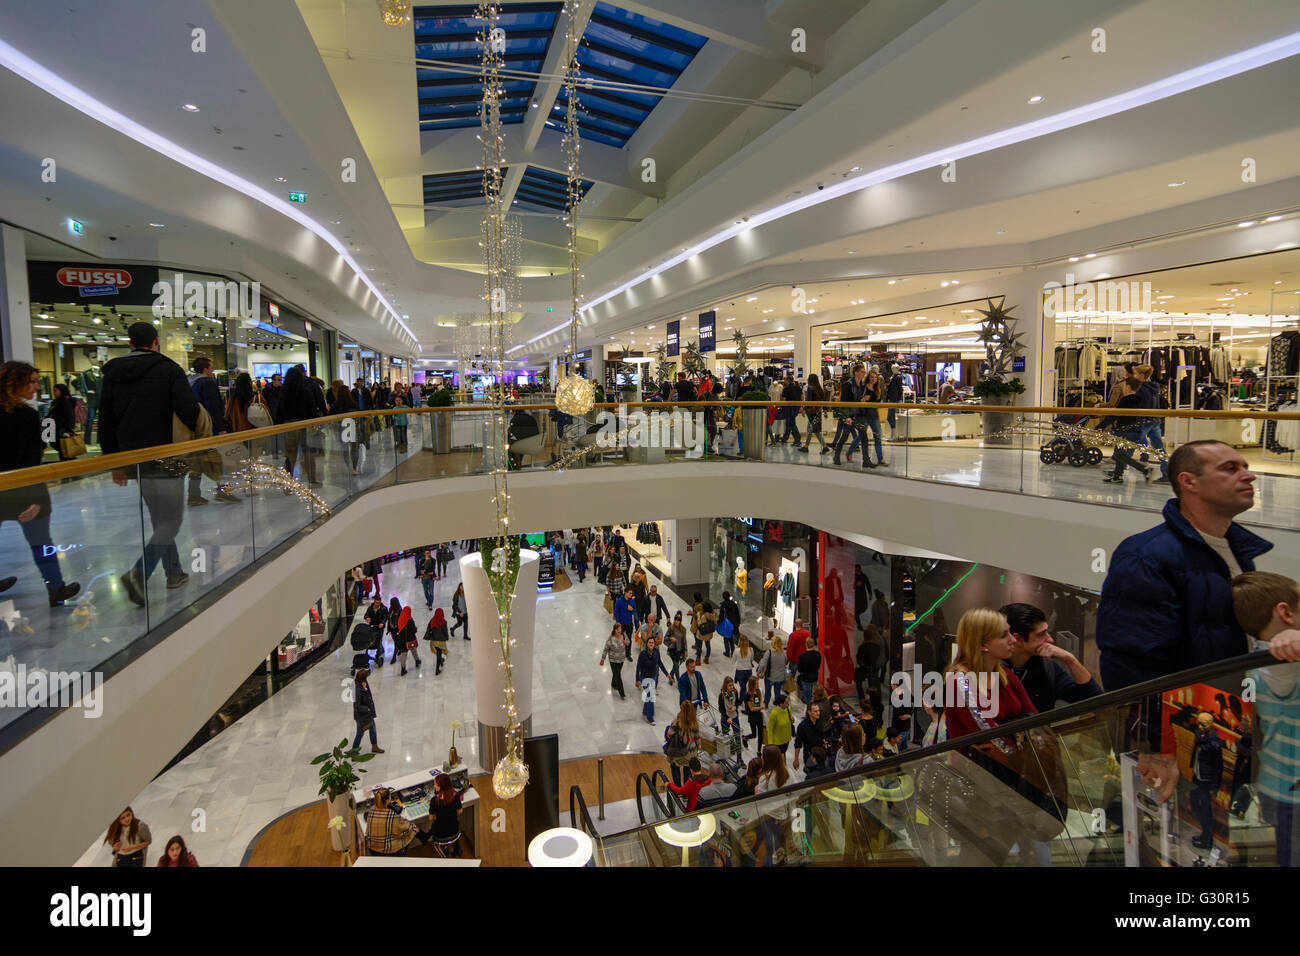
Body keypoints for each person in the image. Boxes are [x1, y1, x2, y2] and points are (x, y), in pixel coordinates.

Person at [1097, 440, 1270, 689]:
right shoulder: (1144, 556)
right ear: (1189, 481)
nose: (1249, 476)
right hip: (1191, 710)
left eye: (1246, 467)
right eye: (1230, 468)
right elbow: (1131, 668)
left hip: (1234, 702)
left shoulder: (1238, 549)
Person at [99, 322, 201, 606]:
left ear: (130, 343)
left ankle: (174, 572)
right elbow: (188, 410)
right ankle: (139, 573)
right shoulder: (169, 369)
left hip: (134, 458)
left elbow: (105, 419)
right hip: (167, 455)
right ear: (156, 342)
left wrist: (115, 462)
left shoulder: (113, 373)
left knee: (160, 519)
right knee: (172, 520)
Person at [1230, 571, 1300, 865]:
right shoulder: (1281, 666)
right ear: (1286, 613)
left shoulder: (1257, 663)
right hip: (1292, 799)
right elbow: (1284, 673)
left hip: (1276, 788)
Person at [0, 363, 81, 606]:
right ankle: (55, 587)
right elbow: (30, 460)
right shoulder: (26, 415)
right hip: (23, 490)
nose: (37, 387)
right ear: (15, 383)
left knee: (40, 540)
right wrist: (35, 499)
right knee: (40, 541)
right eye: (32, 381)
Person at [942, 608, 1036, 741]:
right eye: (1003, 635)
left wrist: (1005, 729)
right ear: (981, 643)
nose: (1013, 640)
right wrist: (1017, 729)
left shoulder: (1005, 674)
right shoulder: (959, 683)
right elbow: (992, 740)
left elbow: (1035, 721)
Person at [999, 602, 1101, 713]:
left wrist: (1071, 660)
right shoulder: (991, 669)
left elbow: (1094, 700)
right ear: (1018, 639)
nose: (1050, 640)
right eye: (1041, 634)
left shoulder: (1046, 667)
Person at [186, 356, 237, 505]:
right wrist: (220, 428)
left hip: (196, 428)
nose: (213, 369)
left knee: (197, 461)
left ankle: (193, 495)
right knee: (220, 459)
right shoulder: (207, 383)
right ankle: (223, 491)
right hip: (210, 428)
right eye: (211, 367)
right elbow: (213, 407)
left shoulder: (190, 384)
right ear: (205, 369)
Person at [1099, 377, 1154, 484]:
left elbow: (1116, 415)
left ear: (1128, 387)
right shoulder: (1140, 399)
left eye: (1124, 386)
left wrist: (1102, 425)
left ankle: (1144, 470)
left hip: (1125, 431)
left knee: (1120, 454)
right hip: (1135, 430)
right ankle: (1117, 476)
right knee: (1120, 453)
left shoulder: (1126, 400)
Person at [277, 365, 322, 485]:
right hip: (305, 424)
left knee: (290, 456)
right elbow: (312, 409)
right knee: (309, 453)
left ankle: (288, 483)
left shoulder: (283, 393)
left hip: (289, 426)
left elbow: (279, 411)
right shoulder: (305, 391)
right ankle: (312, 480)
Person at [831, 363, 871, 468]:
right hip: (850, 415)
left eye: (864, 372)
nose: (864, 374)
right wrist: (847, 416)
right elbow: (844, 402)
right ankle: (836, 456)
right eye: (862, 372)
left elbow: (857, 400)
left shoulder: (861, 385)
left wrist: (863, 400)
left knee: (864, 438)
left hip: (858, 415)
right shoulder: (848, 385)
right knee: (844, 437)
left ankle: (866, 460)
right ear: (856, 373)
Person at [365, 787, 415, 857]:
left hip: (373, 849)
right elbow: (404, 829)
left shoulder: (371, 809)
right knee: (411, 831)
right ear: (387, 800)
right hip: (387, 851)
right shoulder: (391, 815)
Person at [635, 634, 672, 723]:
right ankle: (650, 717)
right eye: (649, 642)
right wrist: (637, 679)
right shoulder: (643, 654)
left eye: (652, 642)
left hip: (653, 677)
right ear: (647, 644)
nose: (651, 644)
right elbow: (638, 667)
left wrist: (667, 674)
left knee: (649, 695)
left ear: (654, 644)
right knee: (651, 696)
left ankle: (645, 711)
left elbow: (660, 663)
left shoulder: (656, 652)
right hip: (644, 678)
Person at [665, 700, 701, 786]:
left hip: (678, 751)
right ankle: (686, 789)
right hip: (691, 752)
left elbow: (669, 734)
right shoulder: (694, 722)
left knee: (674, 766)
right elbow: (697, 738)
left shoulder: (676, 721)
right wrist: (698, 748)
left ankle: (678, 788)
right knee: (688, 769)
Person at [428, 773, 464, 855]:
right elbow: (460, 811)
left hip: (440, 834)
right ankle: (456, 847)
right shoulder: (456, 796)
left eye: (435, 784)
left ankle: (445, 850)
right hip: (454, 830)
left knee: (432, 827)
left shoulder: (434, 801)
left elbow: (431, 818)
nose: (434, 786)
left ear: (440, 786)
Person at [352, 667, 384, 753]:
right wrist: (368, 709)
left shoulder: (363, 683)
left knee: (372, 729)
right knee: (360, 733)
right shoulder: (358, 689)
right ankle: (353, 753)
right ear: (363, 678)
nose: (367, 677)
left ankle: (374, 746)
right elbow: (357, 705)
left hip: (366, 714)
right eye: (366, 676)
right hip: (361, 716)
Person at [797, 374, 828, 453]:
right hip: (818, 411)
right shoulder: (819, 388)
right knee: (812, 429)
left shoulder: (810, 388)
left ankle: (823, 446)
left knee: (813, 430)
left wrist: (804, 409)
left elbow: (809, 401)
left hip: (811, 412)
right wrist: (825, 410)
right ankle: (807, 446)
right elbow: (824, 400)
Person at [600, 621, 630, 700]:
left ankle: (613, 684)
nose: (619, 630)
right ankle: (622, 694)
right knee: (618, 676)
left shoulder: (624, 635)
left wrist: (626, 642)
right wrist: (602, 659)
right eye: (618, 629)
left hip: (621, 659)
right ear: (614, 630)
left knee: (616, 673)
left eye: (620, 629)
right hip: (613, 660)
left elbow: (628, 642)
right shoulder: (611, 638)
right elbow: (606, 649)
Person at [793, 701, 826, 772]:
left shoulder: (819, 721)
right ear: (809, 712)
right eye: (815, 711)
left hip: (821, 753)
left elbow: (822, 735)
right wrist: (796, 759)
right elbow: (798, 744)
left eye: (818, 711)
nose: (818, 713)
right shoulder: (802, 726)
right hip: (809, 755)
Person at [49, 382, 77, 461]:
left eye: (55, 390)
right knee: (62, 449)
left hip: (63, 430)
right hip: (55, 428)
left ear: (61, 390)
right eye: (53, 391)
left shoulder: (65, 401)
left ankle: (70, 464)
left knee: (65, 449)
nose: (54, 393)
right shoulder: (56, 402)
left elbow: (70, 416)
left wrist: (69, 430)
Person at [759, 634, 786, 706]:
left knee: (767, 691)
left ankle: (766, 703)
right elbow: (785, 664)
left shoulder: (769, 652)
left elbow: (763, 664)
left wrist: (758, 672)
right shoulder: (784, 653)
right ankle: (777, 704)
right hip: (780, 677)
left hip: (770, 677)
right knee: (777, 692)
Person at [395, 605, 421, 675]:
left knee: (404, 654)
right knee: (414, 650)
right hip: (410, 639)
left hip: (402, 640)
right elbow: (414, 630)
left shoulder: (400, 619)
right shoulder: (410, 620)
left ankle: (403, 669)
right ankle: (417, 661)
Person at [363, 595, 389, 667]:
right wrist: (367, 618)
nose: (377, 604)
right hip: (372, 627)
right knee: (374, 639)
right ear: (374, 602)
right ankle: (382, 650)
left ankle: (378, 655)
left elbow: (386, 617)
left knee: (379, 640)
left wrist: (382, 623)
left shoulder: (384, 609)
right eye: (376, 603)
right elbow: (366, 615)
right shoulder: (370, 608)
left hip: (380, 628)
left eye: (378, 603)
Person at [796, 634, 821, 707]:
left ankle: (809, 708)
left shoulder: (802, 656)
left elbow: (800, 669)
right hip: (814, 677)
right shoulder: (818, 654)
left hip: (806, 679)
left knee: (807, 696)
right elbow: (818, 665)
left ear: (806, 645)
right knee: (814, 694)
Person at [778, 374, 803, 445]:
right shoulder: (798, 388)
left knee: (791, 423)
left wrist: (777, 405)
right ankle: (785, 438)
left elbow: (783, 399)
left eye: (785, 380)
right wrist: (800, 406)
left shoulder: (786, 389)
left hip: (789, 408)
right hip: (796, 408)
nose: (784, 381)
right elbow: (802, 398)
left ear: (788, 381)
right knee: (789, 423)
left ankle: (797, 439)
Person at [743, 675, 765, 752]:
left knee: (760, 735)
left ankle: (759, 751)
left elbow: (761, 701)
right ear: (752, 685)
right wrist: (761, 707)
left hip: (759, 716)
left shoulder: (759, 691)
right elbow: (751, 708)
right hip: (752, 717)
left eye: (758, 683)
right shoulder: (748, 695)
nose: (758, 685)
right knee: (754, 734)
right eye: (756, 684)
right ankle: (745, 738)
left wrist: (762, 706)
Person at [425, 607, 450, 675]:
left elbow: (428, 629)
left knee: (438, 653)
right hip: (441, 641)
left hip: (433, 641)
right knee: (439, 654)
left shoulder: (432, 620)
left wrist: (428, 637)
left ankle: (441, 661)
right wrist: (447, 637)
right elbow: (445, 631)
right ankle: (437, 669)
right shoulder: (443, 622)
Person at [665, 611, 688, 681]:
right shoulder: (671, 628)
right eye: (675, 620)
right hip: (672, 649)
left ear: (680, 621)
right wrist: (670, 638)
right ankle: (679, 681)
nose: (676, 622)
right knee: (676, 665)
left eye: (678, 620)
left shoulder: (683, 629)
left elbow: (684, 641)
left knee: (676, 665)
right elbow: (665, 638)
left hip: (679, 650)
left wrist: (686, 650)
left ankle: (671, 674)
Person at [385, 595, 403, 665]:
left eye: (391, 603)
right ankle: (400, 649)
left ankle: (394, 657)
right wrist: (388, 628)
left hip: (397, 629)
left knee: (396, 642)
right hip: (392, 629)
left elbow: (401, 621)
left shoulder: (399, 610)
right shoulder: (390, 609)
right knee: (396, 641)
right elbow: (389, 620)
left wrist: (400, 629)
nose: (390, 604)